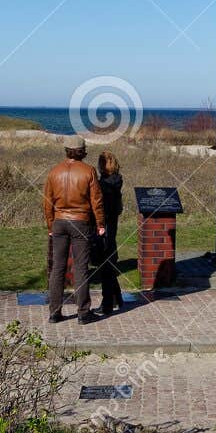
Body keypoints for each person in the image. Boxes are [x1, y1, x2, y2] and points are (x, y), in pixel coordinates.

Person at [42, 134, 104, 324]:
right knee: (81, 267)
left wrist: (50, 224)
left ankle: (54, 312)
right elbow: (97, 200)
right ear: (82, 151)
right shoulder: (89, 171)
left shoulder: (54, 172)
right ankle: (83, 312)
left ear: (66, 150)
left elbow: (47, 202)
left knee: (57, 268)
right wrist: (100, 224)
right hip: (81, 222)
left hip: (59, 222)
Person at [93, 151, 125, 316]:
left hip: (104, 229)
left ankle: (107, 304)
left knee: (105, 267)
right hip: (112, 228)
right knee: (109, 264)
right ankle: (117, 298)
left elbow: (101, 208)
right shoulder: (117, 181)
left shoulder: (104, 185)